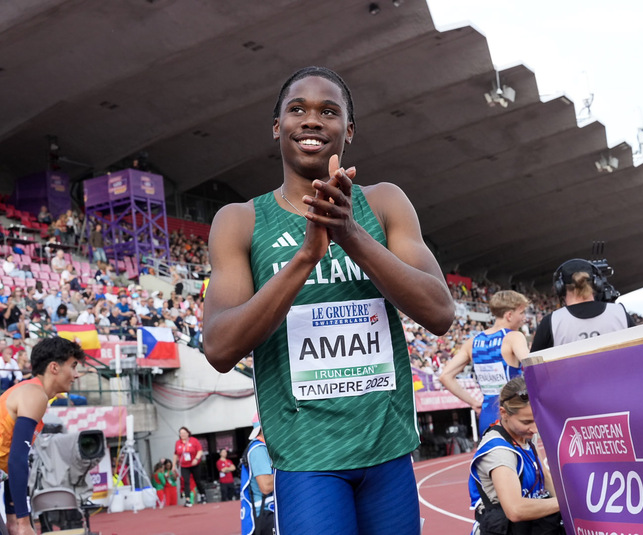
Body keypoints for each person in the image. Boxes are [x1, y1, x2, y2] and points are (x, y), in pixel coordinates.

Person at [203, 66, 454, 535]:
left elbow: (440, 312)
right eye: (297, 109)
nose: (312, 120)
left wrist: (351, 235)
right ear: (277, 127)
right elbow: (219, 348)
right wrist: (304, 258)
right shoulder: (240, 221)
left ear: (349, 131)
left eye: (329, 111)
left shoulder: (383, 203)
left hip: (386, 448)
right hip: (307, 454)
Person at [0, 337, 85, 535]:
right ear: (54, 367)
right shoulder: (34, 395)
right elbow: (16, 460)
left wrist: (13, 516)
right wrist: (22, 521)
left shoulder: (31, 393)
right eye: (73, 367)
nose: (77, 374)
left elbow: (10, 460)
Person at [469, 376, 564, 535]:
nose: (534, 429)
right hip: (504, 529)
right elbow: (515, 509)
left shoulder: (524, 434)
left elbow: (545, 476)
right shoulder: (499, 452)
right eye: (526, 422)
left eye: (536, 420)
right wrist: (566, 503)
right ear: (504, 413)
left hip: (529, 527)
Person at [439, 290, 531, 435]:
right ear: (509, 315)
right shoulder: (513, 337)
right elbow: (531, 365)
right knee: (528, 456)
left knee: (492, 457)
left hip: (487, 414)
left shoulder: (472, 342)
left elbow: (445, 376)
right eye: (522, 313)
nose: (524, 318)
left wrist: (473, 402)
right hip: (514, 413)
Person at [530, 259, 635, 352]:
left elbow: (533, 368)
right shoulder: (620, 313)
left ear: (560, 287)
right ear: (596, 284)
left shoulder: (552, 322)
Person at [240, 422, 274, 535]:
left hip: (267, 512)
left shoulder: (261, 447)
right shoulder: (258, 449)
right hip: (266, 513)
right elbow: (266, 486)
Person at [172, 426, 206, 507]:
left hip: (194, 464)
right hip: (184, 465)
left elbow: (200, 451)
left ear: (188, 433)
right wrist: (173, 465)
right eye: (181, 433)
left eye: (184, 433)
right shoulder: (178, 443)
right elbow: (176, 454)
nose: (182, 435)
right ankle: (187, 499)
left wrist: (196, 459)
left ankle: (202, 495)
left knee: (197, 480)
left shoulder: (194, 441)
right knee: (186, 481)